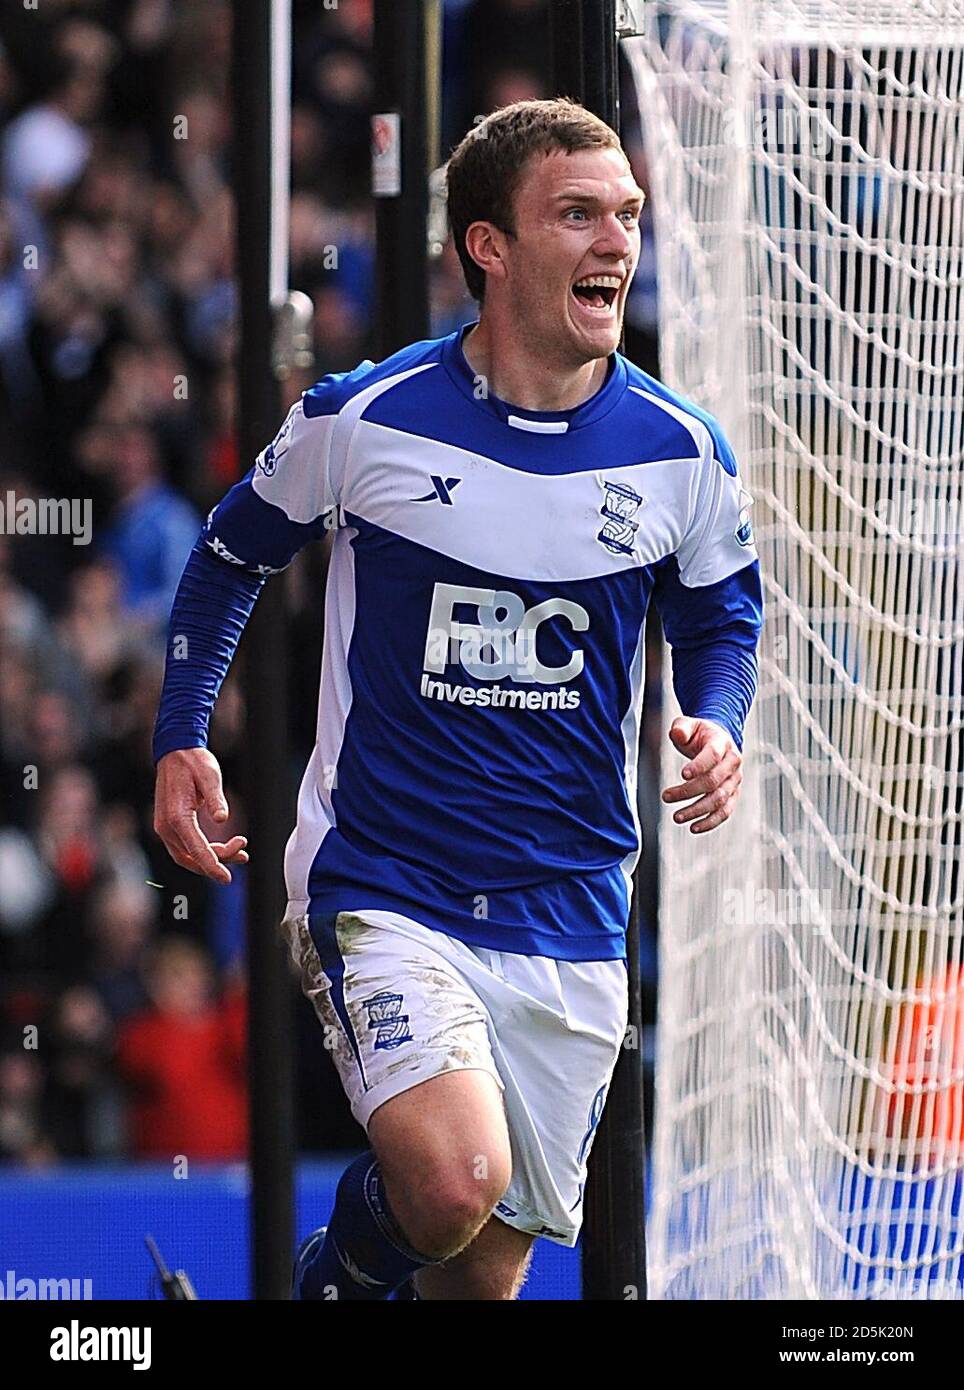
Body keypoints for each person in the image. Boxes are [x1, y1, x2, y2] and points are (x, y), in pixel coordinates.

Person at [151, 99, 763, 1300]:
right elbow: (231, 553)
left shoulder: (680, 448)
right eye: (576, 213)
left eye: (626, 214)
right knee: (449, 1178)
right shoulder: (364, 417)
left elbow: (720, 611)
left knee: (471, 1278)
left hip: (573, 911)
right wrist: (181, 738)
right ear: (488, 245)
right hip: (390, 883)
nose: (614, 242)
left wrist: (720, 719)